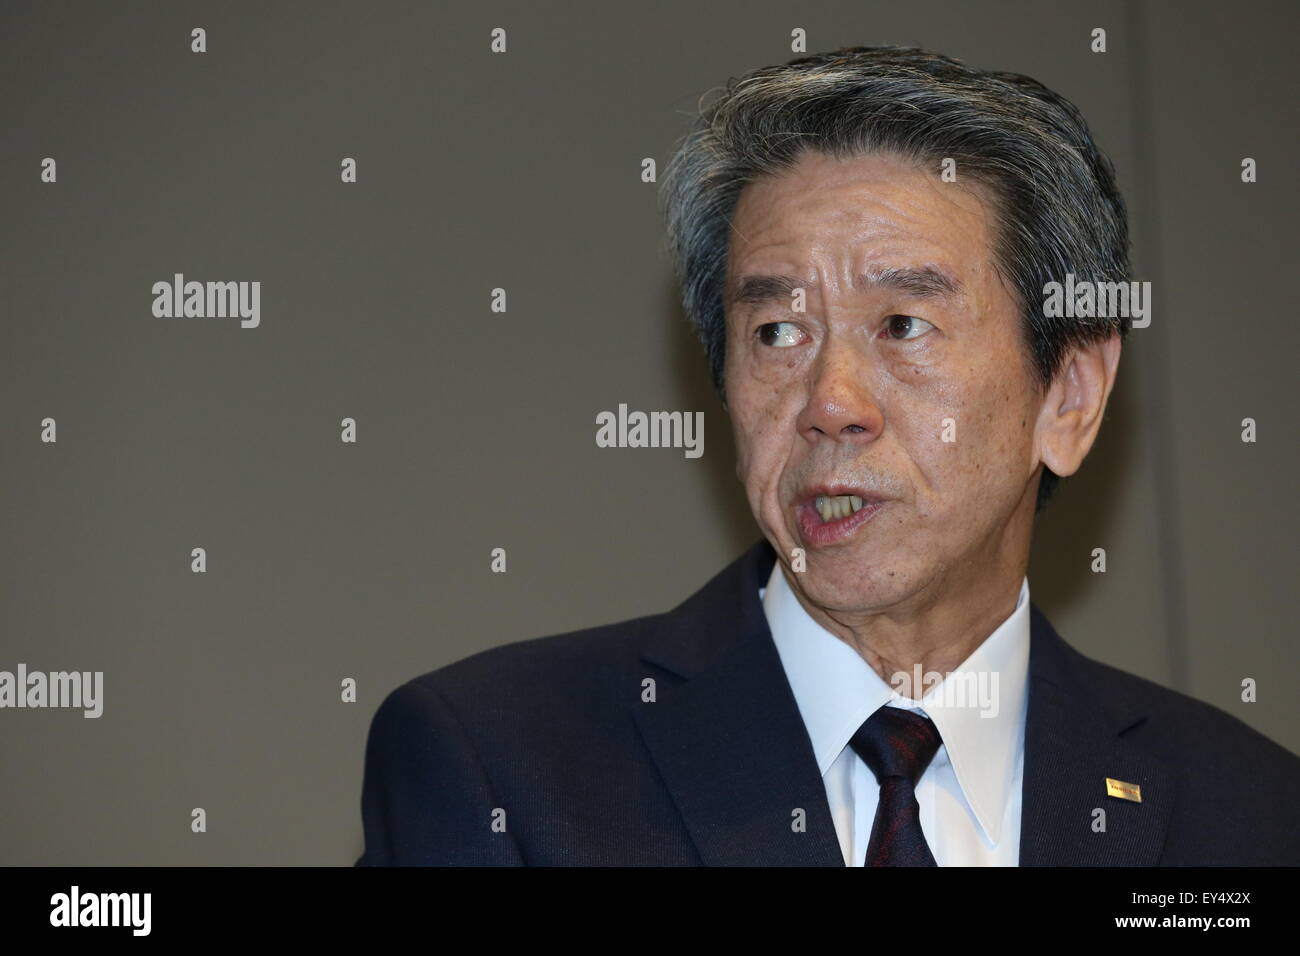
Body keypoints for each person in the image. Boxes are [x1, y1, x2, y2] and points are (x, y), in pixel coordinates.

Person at [356, 46, 1299, 866]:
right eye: (775, 333)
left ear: (1071, 396)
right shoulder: (502, 767)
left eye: (903, 323)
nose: (830, 404)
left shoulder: (1247, 813)